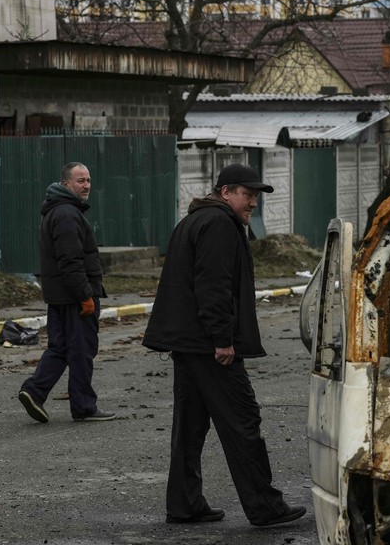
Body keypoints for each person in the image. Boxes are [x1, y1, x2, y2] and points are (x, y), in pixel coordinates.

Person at [143, 164, 306, 527]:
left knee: (190, 426)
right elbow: (213, 285)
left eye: (255, 197)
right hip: (208, 345)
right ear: (227, 191)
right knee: (242, 420)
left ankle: (185, 505)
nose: (253, 204)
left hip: (188, 343)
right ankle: (265, 507)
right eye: (248, 196)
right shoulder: (218, 223)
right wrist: (223, 339)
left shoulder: (197, 220)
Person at [18, 162, 115, 423]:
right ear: (65, 184)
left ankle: (34, 392)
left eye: (88, 180)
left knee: (60, 348)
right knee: (82, 350)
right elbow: (71, 261)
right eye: (80, 181)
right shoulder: (67, 215)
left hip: (60, 295)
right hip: (75, 297)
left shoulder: (60, 211)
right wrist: (85, 295)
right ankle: (84, 407)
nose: (86, 186)